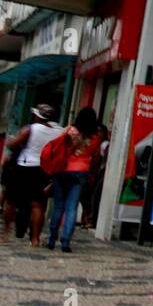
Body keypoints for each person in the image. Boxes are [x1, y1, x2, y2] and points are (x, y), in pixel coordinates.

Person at [1, 104, 61, 246]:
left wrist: (10, 140)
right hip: (42, 169)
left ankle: (5, 234)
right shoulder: (58, 132)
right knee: (37, 205)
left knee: (11, 202)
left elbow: (12, 144)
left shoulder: (31, 128)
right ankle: (35, 239)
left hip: (24, 166)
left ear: (38, 116)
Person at [45, 108, 101, 253]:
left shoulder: (69, 130)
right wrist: (92, 174)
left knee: (58, 206)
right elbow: (95, 158)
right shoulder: (96, 136)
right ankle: (65, 242)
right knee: (72, 208)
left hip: (63, 171)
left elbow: (56, 147)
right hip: (81, 172)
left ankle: (51, 239)